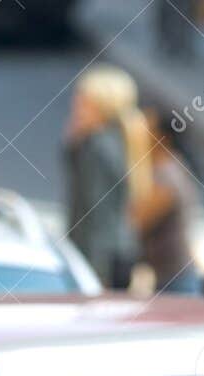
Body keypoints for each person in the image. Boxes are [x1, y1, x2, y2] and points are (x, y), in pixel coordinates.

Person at [64, 66, 149, 290]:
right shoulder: (117, 138)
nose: (76, 108)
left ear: (103, 108)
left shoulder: (98, 146)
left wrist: (95, 272)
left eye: (83, 103)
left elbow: (97, 211)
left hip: (100, 258)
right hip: (119, 252)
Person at [131, 107, 201, 295]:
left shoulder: (167, 176)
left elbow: (137, 221)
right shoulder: (163, 168)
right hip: (168, 276)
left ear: (162, 138)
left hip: (176, 280)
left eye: (147, 130)